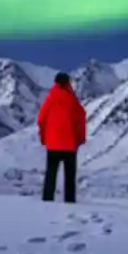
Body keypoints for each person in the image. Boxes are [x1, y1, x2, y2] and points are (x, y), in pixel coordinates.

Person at [37, 71, 87, 203]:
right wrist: (80, 139)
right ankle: (70, 202)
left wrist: (44, 138)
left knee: (50, 175)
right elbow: (81, 119)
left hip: (52, 144)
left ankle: (47, 200)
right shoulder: (72, 100)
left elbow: (41, 119)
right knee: (70, 177)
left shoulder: (50, 99)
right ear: (68, 83)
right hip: (70, 145)